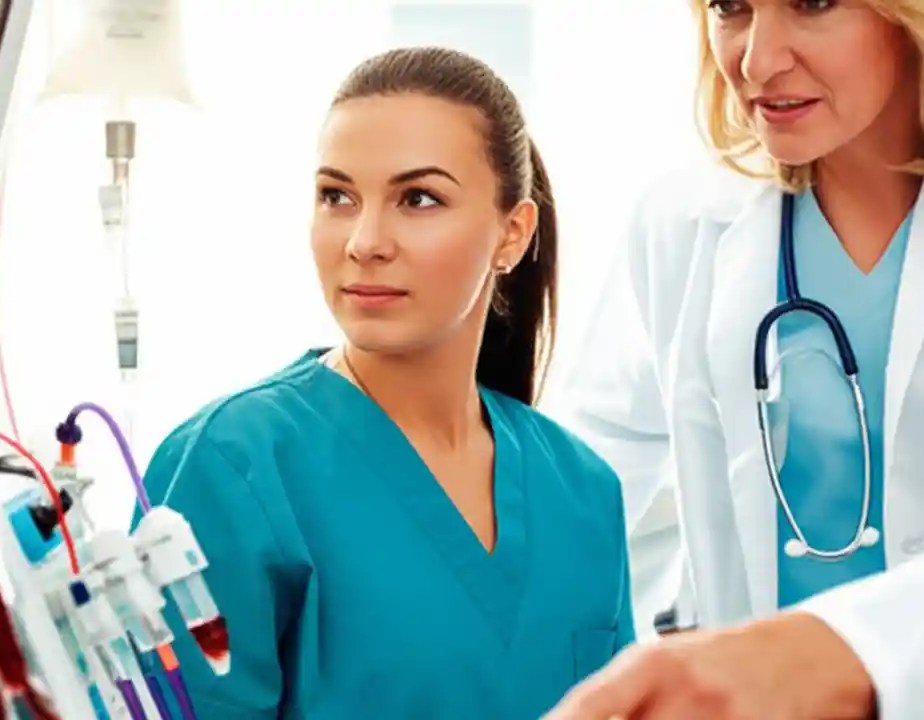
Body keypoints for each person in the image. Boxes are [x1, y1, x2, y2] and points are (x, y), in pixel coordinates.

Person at [135, 47, 634, 719]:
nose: (364, 240)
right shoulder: (232, 466)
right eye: (337, 197)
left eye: (418, 199)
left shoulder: (581, 492)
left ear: (512, 235)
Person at [546, 0, 924, 717]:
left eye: (814, 3)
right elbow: (585, 479)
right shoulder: (685, 224)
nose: (757, 59)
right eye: (730, 7)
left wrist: (841, 649)